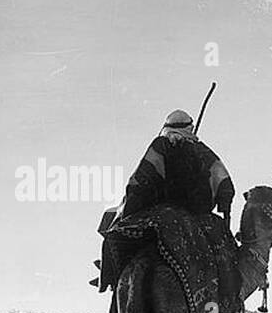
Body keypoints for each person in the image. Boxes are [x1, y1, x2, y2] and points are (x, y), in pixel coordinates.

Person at [93, 109, 237, 290]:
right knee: (225, 255)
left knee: (116, 228)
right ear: (190, 128)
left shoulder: (160, 146)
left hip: (158, 211)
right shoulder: (202, 150)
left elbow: (141, 180)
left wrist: (131, 206)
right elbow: (224, 182)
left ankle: (111, 277)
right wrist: (223, 205)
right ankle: (224, 303)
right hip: (196, 215)